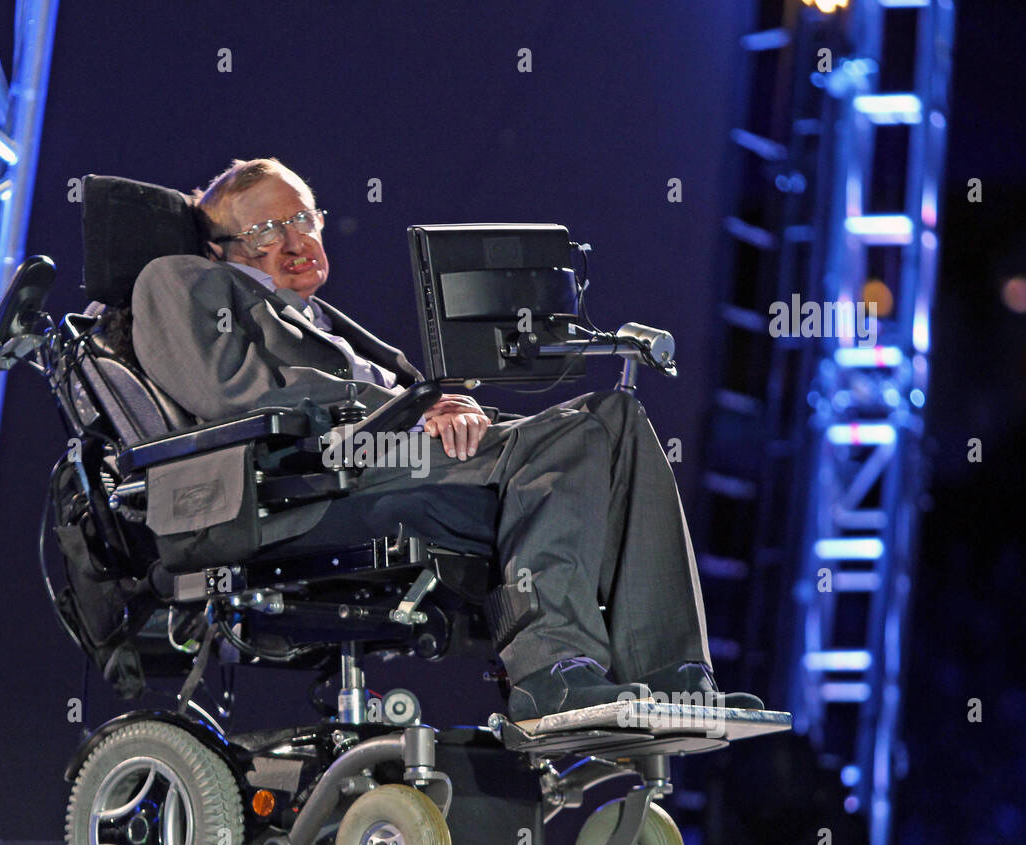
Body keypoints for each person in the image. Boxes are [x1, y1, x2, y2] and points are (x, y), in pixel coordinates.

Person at [130, 157, 762, 721]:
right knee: (581, 433)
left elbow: (407, 394)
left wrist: (445, 402)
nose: (295, 241)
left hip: (389, 450)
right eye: (266, 232)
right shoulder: (181, 279)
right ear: (219, 248)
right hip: (310, 475)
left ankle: (673, 674)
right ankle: (550, 674)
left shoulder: (322, 321)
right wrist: (408, 410)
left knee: (613, 422)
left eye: (303, 219)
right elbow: (232, 396)